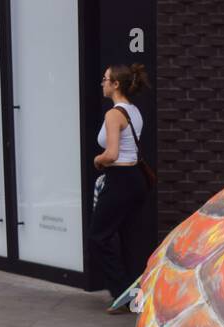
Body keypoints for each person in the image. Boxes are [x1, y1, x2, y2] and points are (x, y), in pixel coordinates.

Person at [90, 63, 150, 313]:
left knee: (99, 235)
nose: (102, 83)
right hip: (136, 179)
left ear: (116, 84)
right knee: (129, 240)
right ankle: (136, 298)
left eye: (105, 79)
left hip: (120, 179)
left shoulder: (114, 114)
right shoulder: (134, 111)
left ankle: (121, 294)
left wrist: (97, 160)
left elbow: (112, 154)